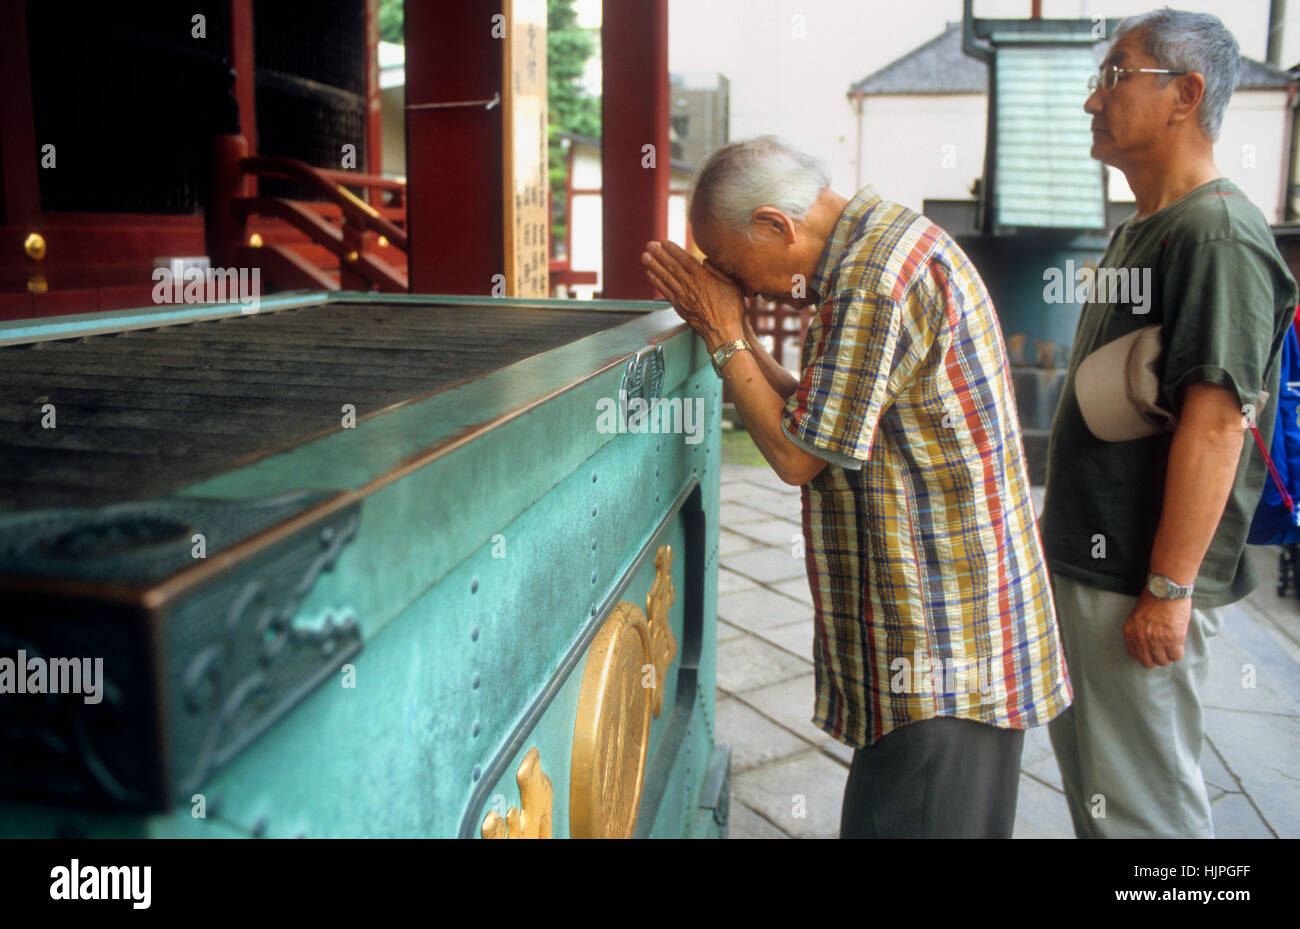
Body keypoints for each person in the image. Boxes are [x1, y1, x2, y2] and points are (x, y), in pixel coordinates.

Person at [641, 137, 1071, 838]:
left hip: (942, 643)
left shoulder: (872, 279)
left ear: (776, 225)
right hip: (947, 630)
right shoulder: (877, 249)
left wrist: (724, 332)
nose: (734, 281)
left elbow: (792, 452)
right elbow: (819, 417)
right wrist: (734, 332)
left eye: (728, 261)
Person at [1040, 9, 1299, 838]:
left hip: (1134, 580)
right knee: (1099, 791)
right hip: (1091, 559)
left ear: (1186, 95)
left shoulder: (1216, 233)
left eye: (1116, 75)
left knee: (1146, 813)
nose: (1093, 100)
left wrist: (1167, 588)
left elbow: (1218, 425)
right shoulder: (1146, 227)